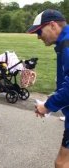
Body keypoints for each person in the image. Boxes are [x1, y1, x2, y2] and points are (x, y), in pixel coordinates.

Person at [29, 9, 69, 167]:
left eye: (39, 31)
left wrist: (47, 106)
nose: (38, 37)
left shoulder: (67, 44)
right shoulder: (63, 44)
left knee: (61, 163)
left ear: (53, 25)